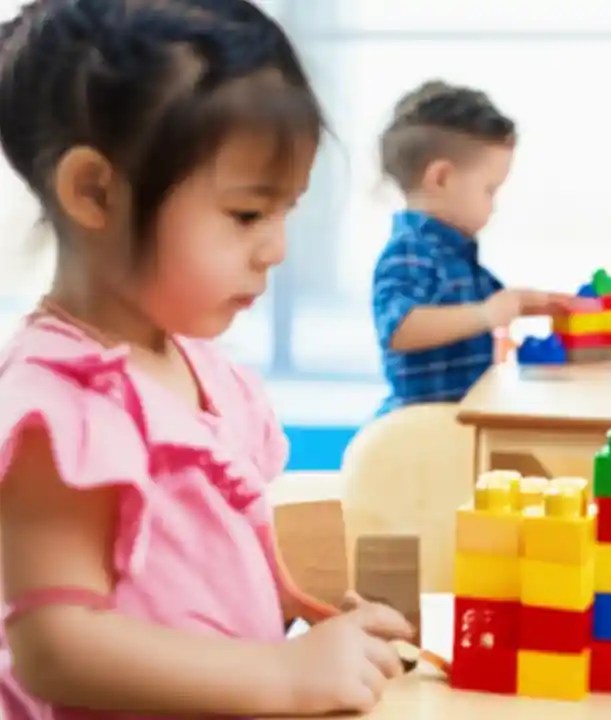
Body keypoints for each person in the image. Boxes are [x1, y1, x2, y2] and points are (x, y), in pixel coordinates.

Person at [0, 2, 414, 718]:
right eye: (248, 214)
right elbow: (57, 648)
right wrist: (282, 677)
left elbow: (199, 563)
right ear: (95, 192)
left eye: (287, 211)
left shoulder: (202, 371)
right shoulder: (61, 413)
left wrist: (306, 610)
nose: (277, 247)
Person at [372, 80, 574, 413]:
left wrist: (525, 304)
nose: (494, 205)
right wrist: (486, 314)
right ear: (441, 178)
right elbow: (398, 328)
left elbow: (492, 307)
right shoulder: (410, 251)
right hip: (421, 422)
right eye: (489, 190)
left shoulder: (457, 255)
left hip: (460, 414)